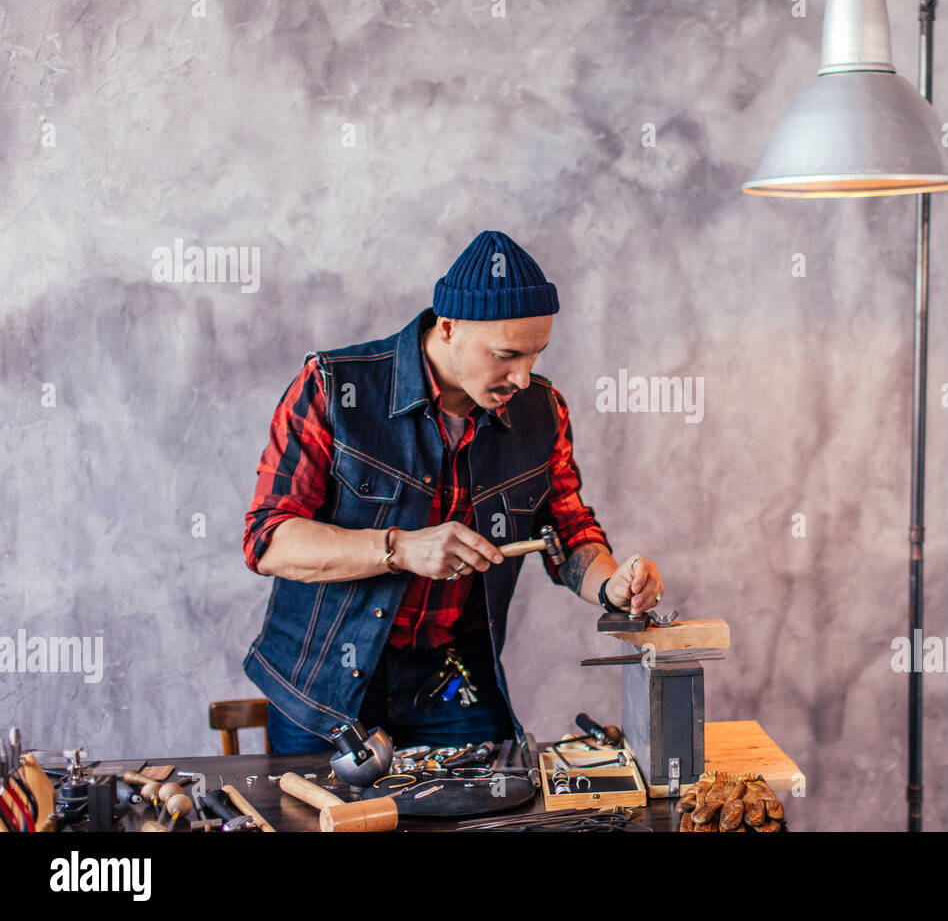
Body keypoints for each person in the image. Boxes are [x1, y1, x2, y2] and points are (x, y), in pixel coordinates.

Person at [240, 230, 665, 754]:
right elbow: (269, 540)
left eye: (535, 356)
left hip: (451, 681)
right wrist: (400, 549)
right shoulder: (332, 387)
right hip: (322, 687)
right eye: (507, 355)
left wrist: (612, 585)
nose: (524, 378)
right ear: (448, 327)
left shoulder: (542, 412)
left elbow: (569, 531)